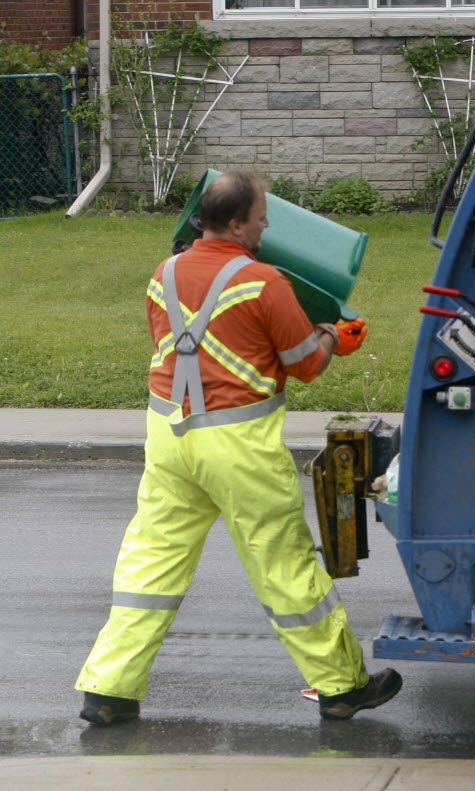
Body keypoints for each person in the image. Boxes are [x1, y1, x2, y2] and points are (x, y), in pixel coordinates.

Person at [75, 170, 401, 725]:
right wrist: (333, 336)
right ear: (234, 224)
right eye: (260, 218)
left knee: (150, 564)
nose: (267, 225)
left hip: (170, 436)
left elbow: (179, 346)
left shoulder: (164, 273)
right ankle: (342, 686)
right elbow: (306, 364)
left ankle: (107, 691)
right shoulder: (263, 281)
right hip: (238, 445)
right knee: (283, 564)